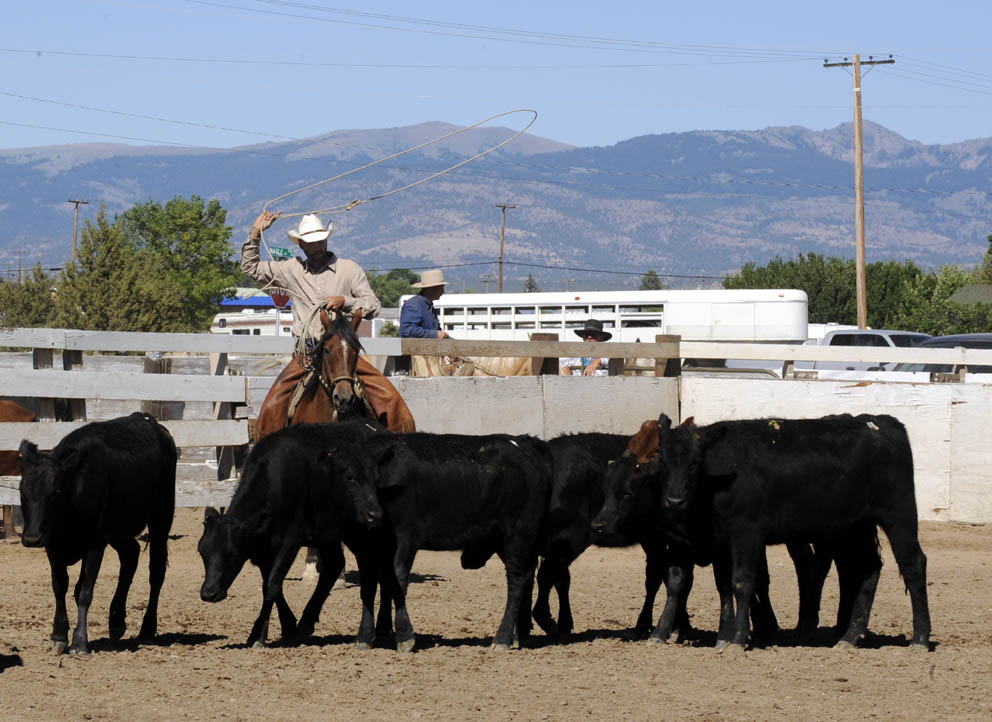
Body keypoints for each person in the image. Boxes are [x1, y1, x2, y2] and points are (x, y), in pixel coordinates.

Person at [242, 210, 416, 438]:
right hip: (306, 355)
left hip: (342, 355)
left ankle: (401, 443)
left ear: (326, 240)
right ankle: (266, 447)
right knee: (273, 404)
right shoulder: (289, 270)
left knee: (390, 400)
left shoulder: (349, 269)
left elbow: (373, 305)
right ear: (301, 246)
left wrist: (346, 302)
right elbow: (250, 267)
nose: (316, 248)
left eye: (320, 242)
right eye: (310, 244)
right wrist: (256, 233)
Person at [399, 269, 450, 339]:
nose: (443, 291)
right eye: (441, 288)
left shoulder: (428, 306)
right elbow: (406, 330)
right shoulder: (414, 305)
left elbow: (439, 333)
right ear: (432, 288)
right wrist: (434, 335)